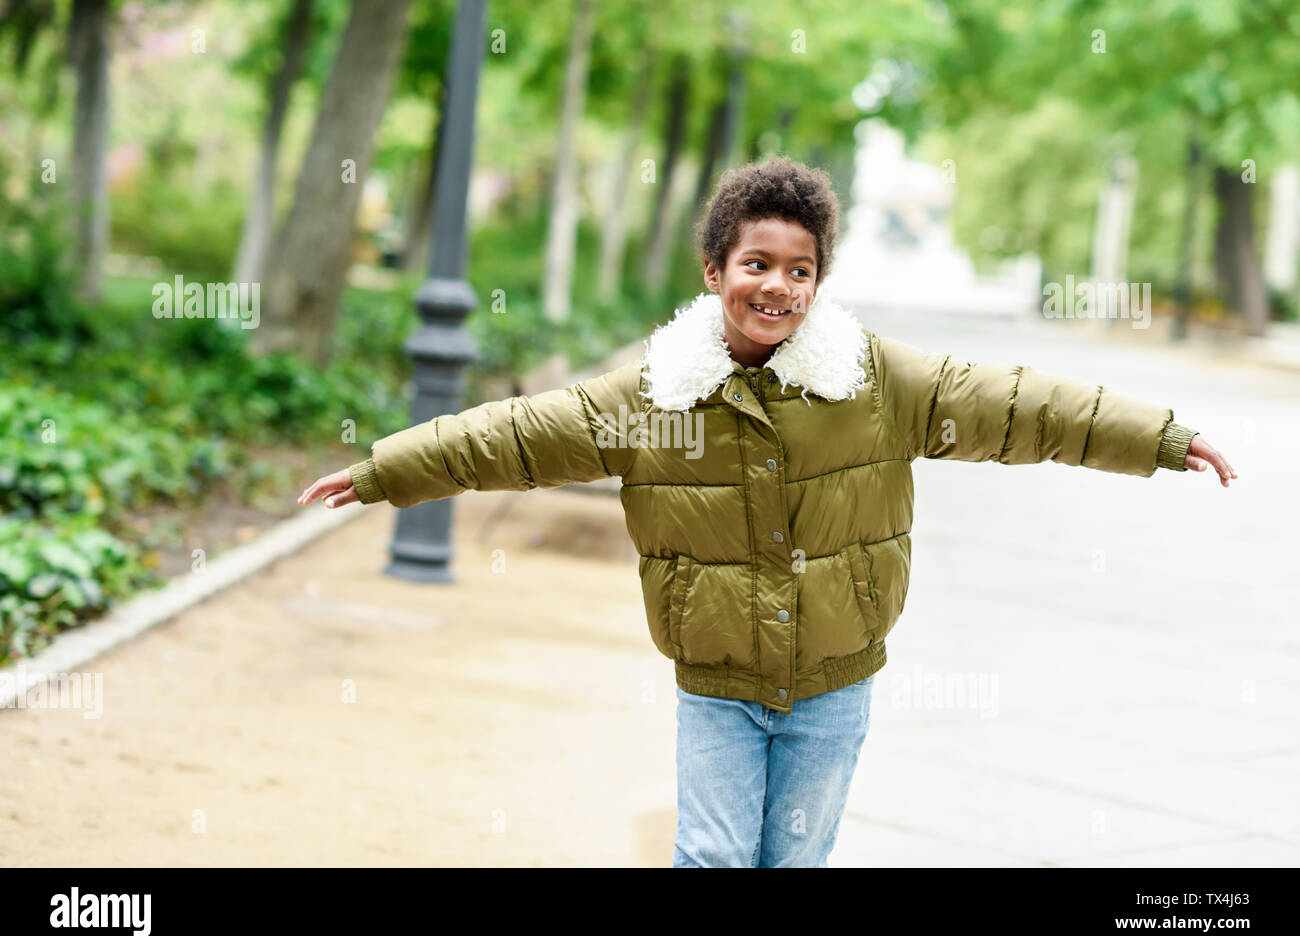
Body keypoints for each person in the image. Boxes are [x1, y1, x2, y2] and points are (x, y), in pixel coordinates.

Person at [298, 156, 1238, 867]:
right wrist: (384, 470)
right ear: (715, 269)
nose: (776, 287)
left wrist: (1155, 435)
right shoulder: (651, 399)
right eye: (757, 263)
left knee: (794, 860)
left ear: (818, 281)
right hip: (716, 684)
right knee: (710, 858)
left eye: (799, 271)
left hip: (835, 680)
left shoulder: (879, 382)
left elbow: (1022, 406)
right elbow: (506, 437)